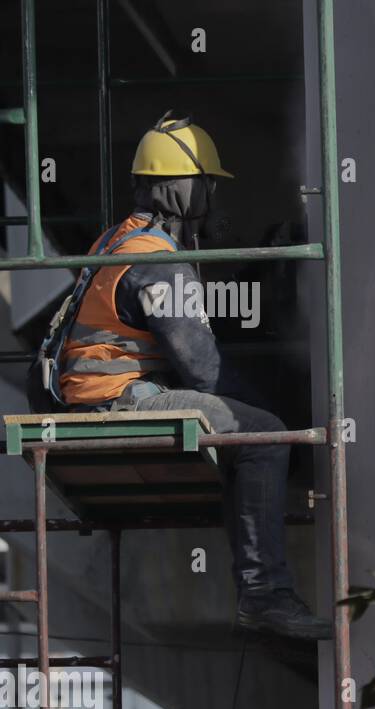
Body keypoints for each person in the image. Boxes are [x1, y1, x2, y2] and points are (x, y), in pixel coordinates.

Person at [59, 112, 330, 641]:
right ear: (185, 189)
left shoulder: (117, 240)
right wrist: (291, 438)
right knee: (264, 439)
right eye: (207, 184)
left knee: (248, 423)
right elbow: (205, 370)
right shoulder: (156, 260)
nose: (212, 197)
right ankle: (264, 594)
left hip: (108, 392)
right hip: (116, 399)